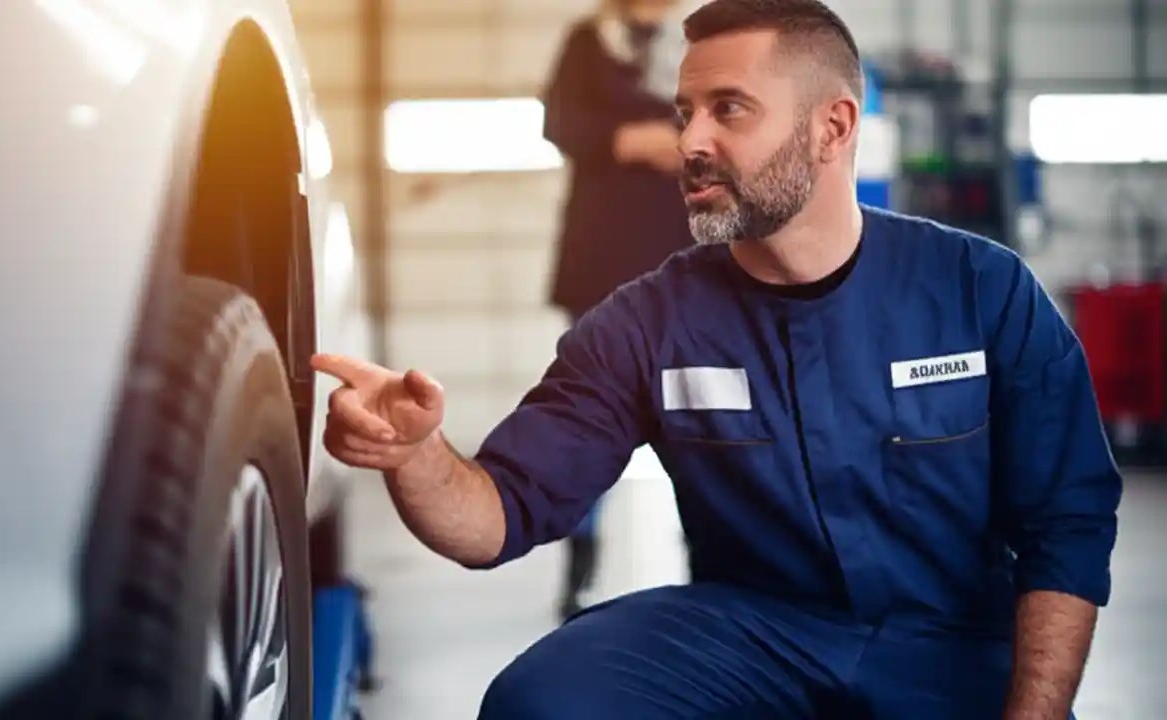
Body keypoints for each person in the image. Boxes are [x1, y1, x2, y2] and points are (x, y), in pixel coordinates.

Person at [312, 1, 1122, 717]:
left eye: (728, 109)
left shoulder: (981, 292)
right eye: (685, 111)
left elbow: (1068, 524)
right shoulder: (647, 320)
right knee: (544, 701)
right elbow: (496, 514)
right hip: (749, 636)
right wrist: (413, 454)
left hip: (946, 642)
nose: (690, 141)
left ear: (832, 128)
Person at [541, 0, 696, 619]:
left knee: (699, 422)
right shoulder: (589, 40)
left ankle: (714, 563)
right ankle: (578, 571)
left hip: (682, 259)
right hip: (600, 259)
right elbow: (558, 124)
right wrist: (628, 140)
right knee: (589, 422)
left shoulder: (699, 38)